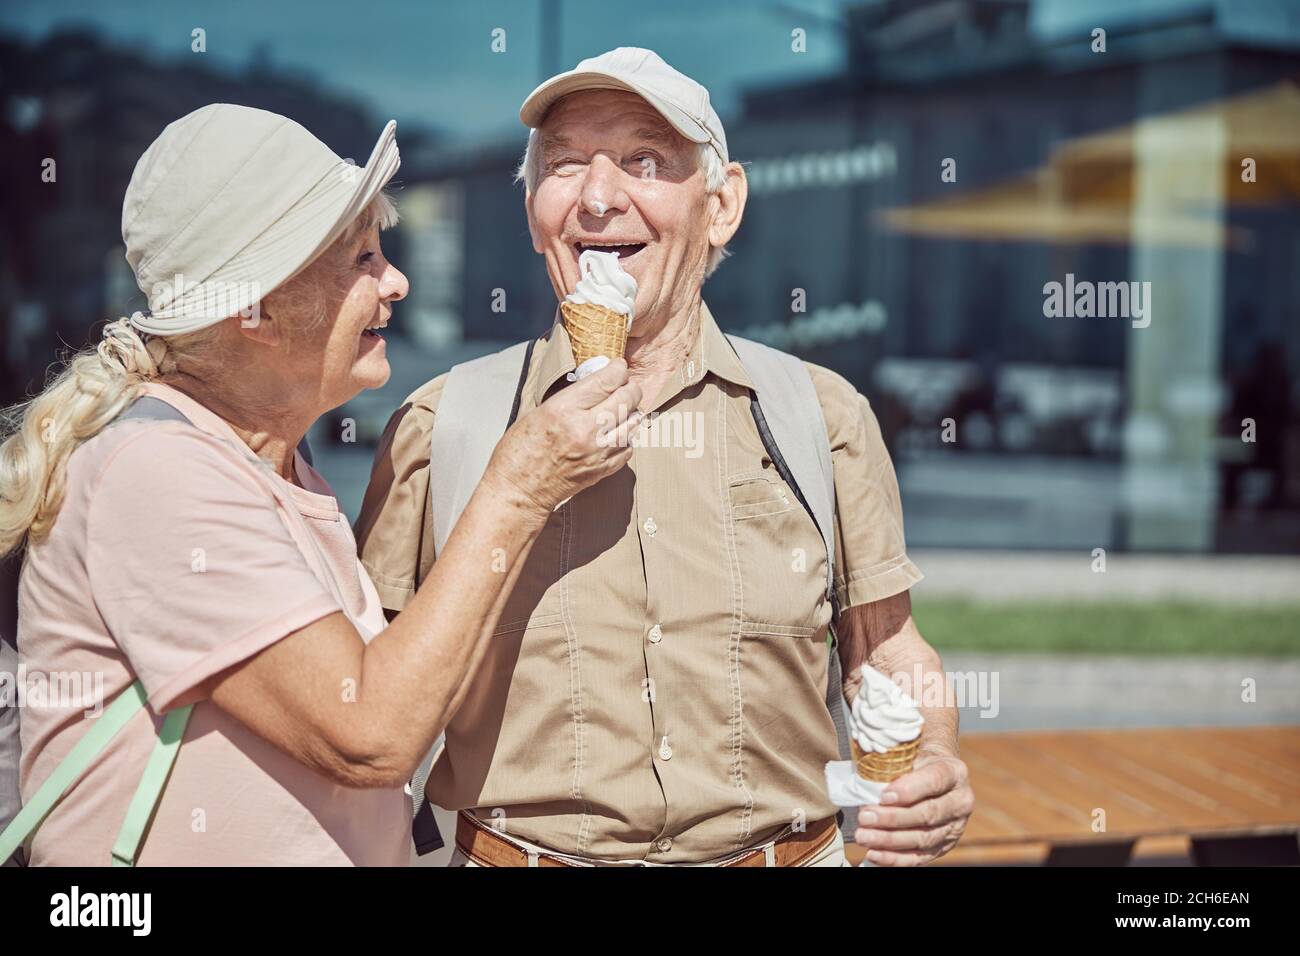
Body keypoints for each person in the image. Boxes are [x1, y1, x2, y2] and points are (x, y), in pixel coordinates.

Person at [357, 48, 973, 867]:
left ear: (722, 206)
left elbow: (888, 650)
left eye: (644, 162)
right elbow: (368, 706)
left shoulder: (819, 416)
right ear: (534, 208)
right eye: (566, 164)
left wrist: (930, 757)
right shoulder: (442, 425)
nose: (600, 198)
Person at [0, 103, 639, 865]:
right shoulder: (155, 473)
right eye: (362, 259)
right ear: (256, 308)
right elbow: (368, 734)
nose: (394, 281)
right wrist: (521, 485)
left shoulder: (270, 463)